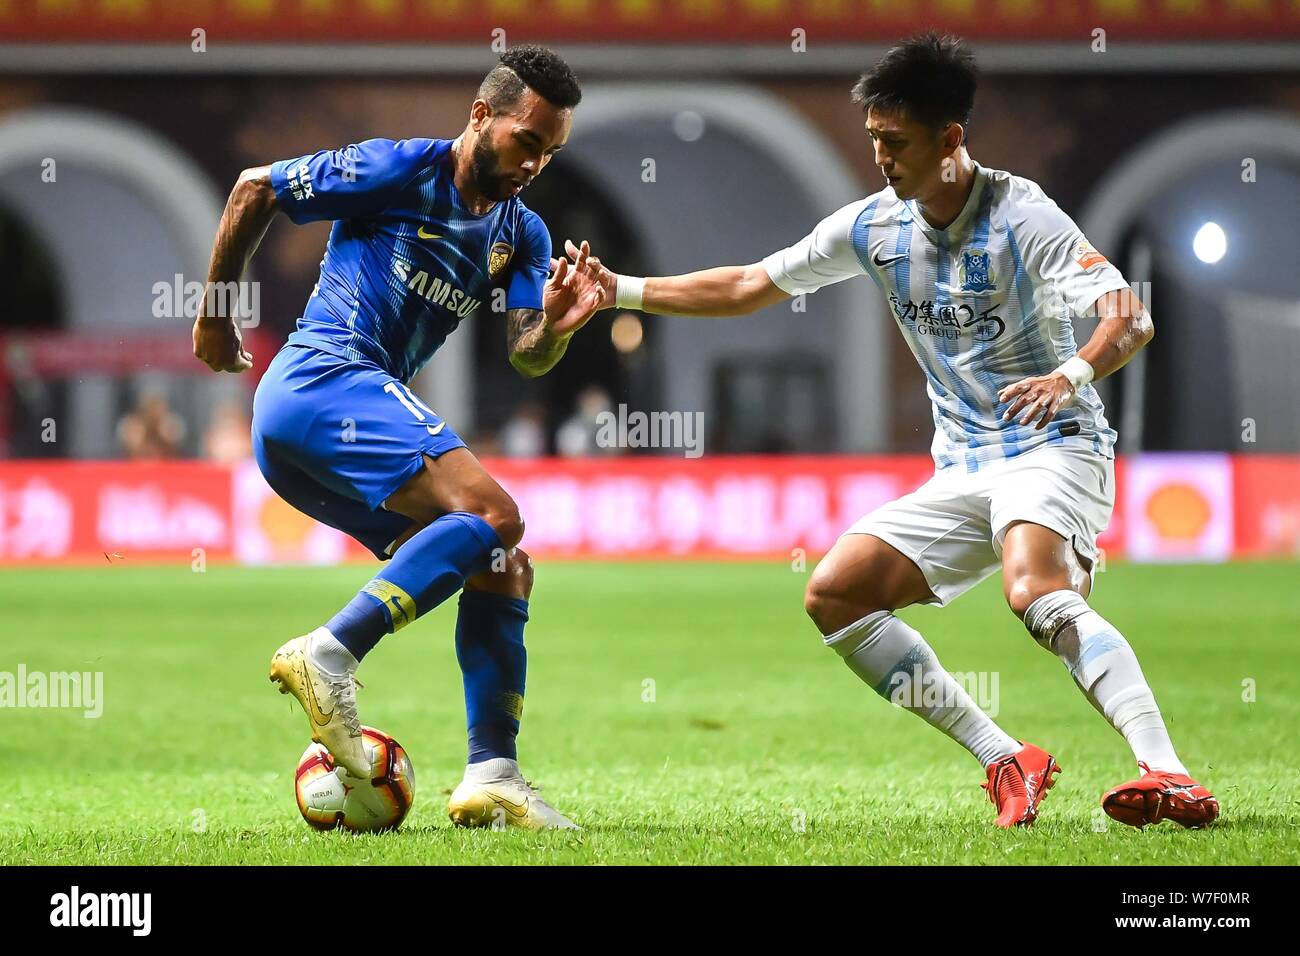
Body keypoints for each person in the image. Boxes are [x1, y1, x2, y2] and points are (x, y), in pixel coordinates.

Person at [563, 33, 1218, 830]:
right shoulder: (876, 226)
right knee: (836, 594)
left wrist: (1068, 376)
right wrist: (619, 291)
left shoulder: (1022, 215)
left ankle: (1170, 773)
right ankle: (1006, 757)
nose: (880, 158)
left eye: (895, 141)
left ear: (951, 140)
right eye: (874, 139)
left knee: (1033, 592)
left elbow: (1129, 315)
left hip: (1053, 447)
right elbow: (746, 284)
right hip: (962, 467)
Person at [192, 45, 604, 830]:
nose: (535, 164)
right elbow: (255, 189)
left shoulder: (523, 233)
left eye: (550, 153)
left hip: (318, 437)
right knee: (497, 514)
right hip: (322, 383)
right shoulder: (398, 170)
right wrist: (216, 312)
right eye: (526, 142)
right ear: (482, 116)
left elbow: (526, 353)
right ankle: (331, 653)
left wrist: (555, 326)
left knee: (501, 563)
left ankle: (494, 775)